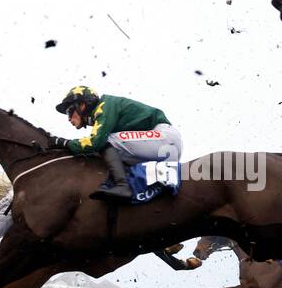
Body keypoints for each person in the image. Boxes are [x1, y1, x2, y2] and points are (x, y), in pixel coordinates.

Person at [47, 85, 182, 201]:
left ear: (82, 105)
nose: (69, 118)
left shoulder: (104, 106)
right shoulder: (102, 113)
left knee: (106, 141)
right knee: (106, 151)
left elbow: (95, 142)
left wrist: (65, 143)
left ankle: (123, 186)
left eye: (70, 111)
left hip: (165, 138)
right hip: (160, 145)